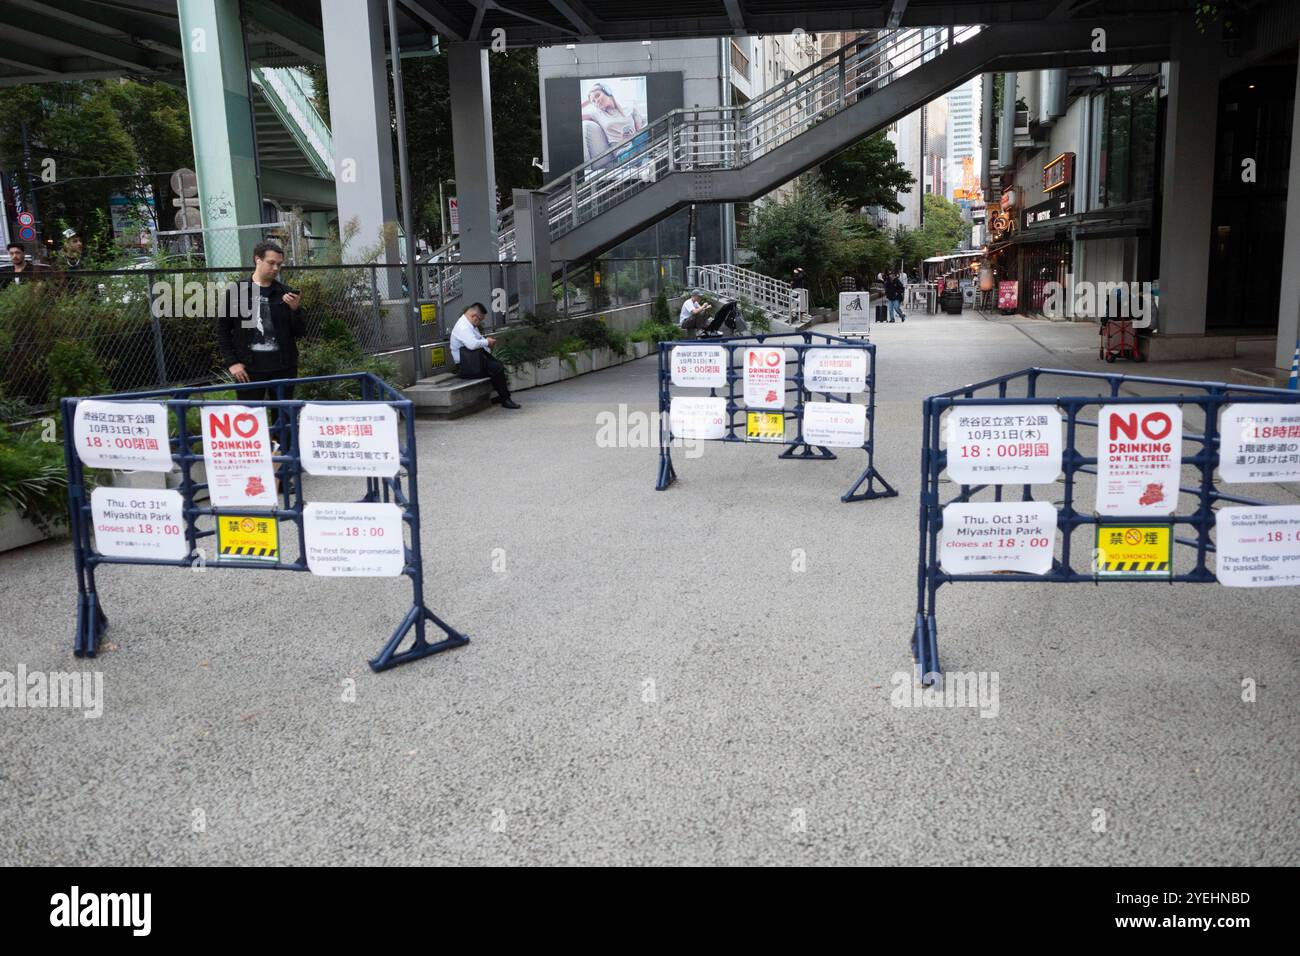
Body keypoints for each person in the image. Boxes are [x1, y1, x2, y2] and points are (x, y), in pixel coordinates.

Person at [216, 240, 305, 420]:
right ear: (258, 260)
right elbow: (223, 330)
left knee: (284, 419)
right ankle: (259, 448)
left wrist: (295, 310)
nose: (275, 268)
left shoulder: (285, 293)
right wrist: (232, 363)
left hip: (283, 367)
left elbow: (300, 332)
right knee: (249, 418)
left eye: (279, 264)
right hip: (249, 369)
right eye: (271, 263)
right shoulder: (238, 292)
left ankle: (284, 448)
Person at [450, 302, 520, 409]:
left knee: (497, 365)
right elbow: (472, 344)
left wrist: (487, 344)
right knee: (496, 368)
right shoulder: (463, 327)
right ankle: (505, 399)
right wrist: (487, 342)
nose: (479, 323)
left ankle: (503, 396)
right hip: (465, 367)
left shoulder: (470, 324)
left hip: (473, 362)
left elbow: (479, 340)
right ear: (474, 316)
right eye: (480, 320)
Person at [581, 82, 646, 167]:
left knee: (645, 133)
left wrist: (633, 136)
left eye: (597, 96)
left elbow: (640, 132)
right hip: (621, 154)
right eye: (593, 101)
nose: (596, 101)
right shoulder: (597, 114)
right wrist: (588, 101)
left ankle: (644, 160)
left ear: (608, 92)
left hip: (635, 146)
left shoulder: (630, 109)